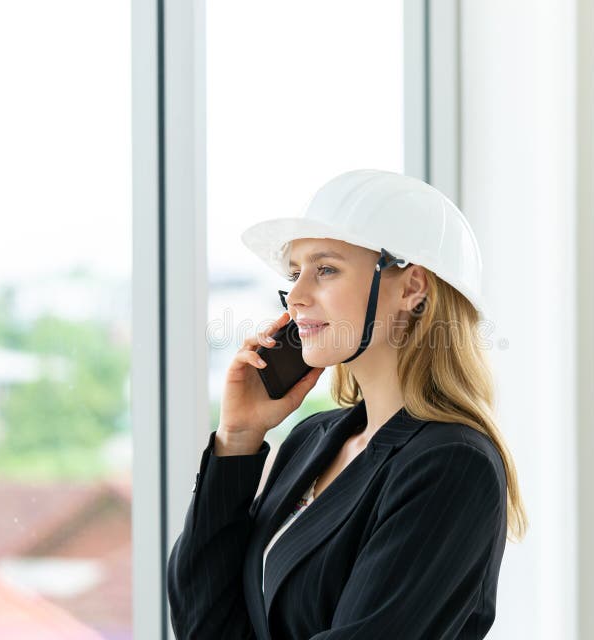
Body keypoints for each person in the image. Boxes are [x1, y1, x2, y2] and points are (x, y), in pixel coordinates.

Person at [167, 169, 528, 639]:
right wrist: (237, 439)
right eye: (295, 273)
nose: (295, 296)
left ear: (412, 287)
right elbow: (204, 623)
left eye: (325, 269)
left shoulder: (451, 464)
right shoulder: (310, 440)